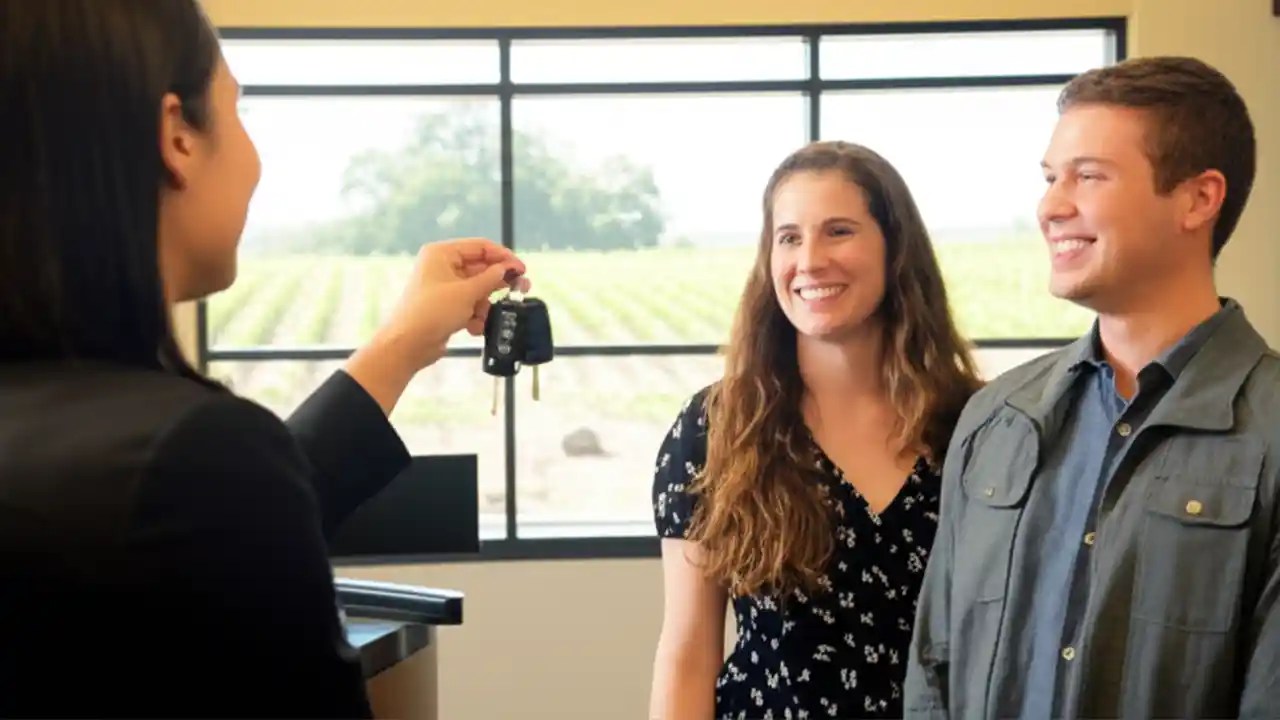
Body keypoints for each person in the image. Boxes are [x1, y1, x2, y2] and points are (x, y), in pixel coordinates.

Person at [0, 1, 528, 717]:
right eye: (237, 110)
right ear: (177, 138)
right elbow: (207, 503)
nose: (252, 159)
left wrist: (399, 346)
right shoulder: (194, 458)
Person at [904, 56, 1278, 719]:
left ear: (1198, 198)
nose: (1052, 206)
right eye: (1051, 178)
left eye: (1089, 176)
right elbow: (934, 673)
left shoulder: (1270, 431)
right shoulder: (996, 420)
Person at [648, 140, 985, 719]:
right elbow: (688, 651)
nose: (809, 260)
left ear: (895, 249)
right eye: (789, 237)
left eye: (839, 231)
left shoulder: (976, 424)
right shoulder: (715, 427)